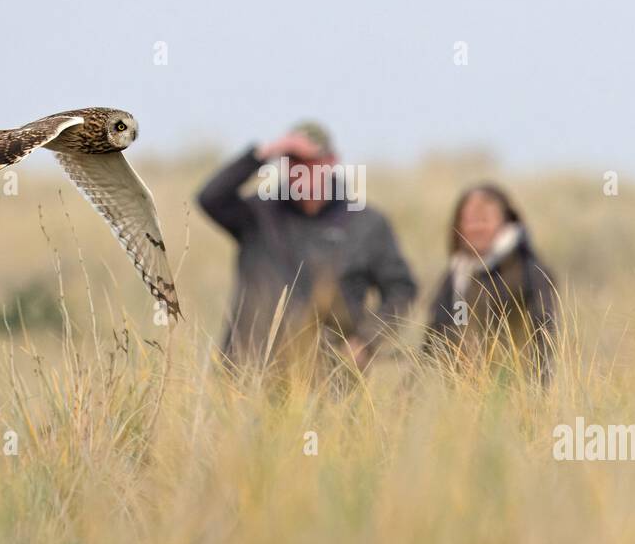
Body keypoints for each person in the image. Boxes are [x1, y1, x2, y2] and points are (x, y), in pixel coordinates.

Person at [197, 121, 417, 368]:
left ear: (331, 161)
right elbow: (210, 199)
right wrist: (262, 153)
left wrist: (366, 341)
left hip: (331, 377)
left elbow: (401, 289)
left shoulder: (366, 224)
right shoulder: (258, 215)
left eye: (311, 161)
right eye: (292, 161)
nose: (301, 170)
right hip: (251, 372)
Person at [424, 184, 556, 372]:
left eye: (484, 219)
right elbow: (432, 342)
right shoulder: (456, 275)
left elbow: (544, 341)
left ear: (505, 223)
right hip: (459, 394)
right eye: (469, 220)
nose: (477, 227)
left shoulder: (530, 273)